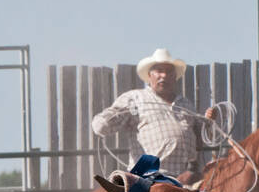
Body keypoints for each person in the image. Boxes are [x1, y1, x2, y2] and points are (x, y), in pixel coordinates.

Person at [92, 48, 216, 184]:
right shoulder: (135, 98)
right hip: (147, 175)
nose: (163, 75)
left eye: (168, 71)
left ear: (174, 77)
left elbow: (200, 139)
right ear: (150, 76)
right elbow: (101, 127)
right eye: (159, 71)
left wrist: (208, 123)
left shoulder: (185, 104)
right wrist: (105, 120)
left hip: (184, 177)